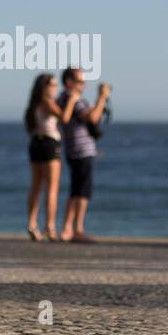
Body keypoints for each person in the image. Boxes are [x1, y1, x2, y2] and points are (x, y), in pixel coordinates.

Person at [57, 67, 110, 243]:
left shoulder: (69, 99)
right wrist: (102, 97)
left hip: (79, 149)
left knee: (78, 190)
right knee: (80, 191)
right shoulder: (72, 100)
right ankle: (75, 229)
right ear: (69, 82)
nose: (83, 85)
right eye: (80, 81)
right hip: (79, 150)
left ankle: (70, 229)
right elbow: (93, 118)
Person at [24, 74, 64, 241]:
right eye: (53, 85)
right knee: (52, 187)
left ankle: (32, 224)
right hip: (49, 143)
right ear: (45, 87)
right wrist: (72, 100)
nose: (55, 88)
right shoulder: (47, 102)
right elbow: (64, 116)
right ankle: (50, 226)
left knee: (36, 186)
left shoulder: (33, 103)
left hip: (36, 142)